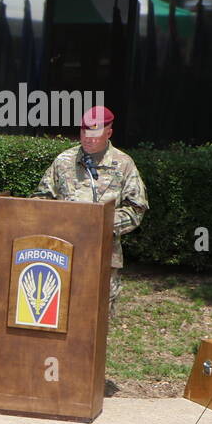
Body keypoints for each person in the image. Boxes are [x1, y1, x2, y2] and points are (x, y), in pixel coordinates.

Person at [33, 105, 148, 317]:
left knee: (97, 322)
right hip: (60, 255)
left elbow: (136, 209)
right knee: (60, 316)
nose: (88, 138)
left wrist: (102, 224)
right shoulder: (63, 162)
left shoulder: (123, 165)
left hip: (102, 256)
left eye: (95, 134)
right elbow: (40, 200)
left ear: (109, 133)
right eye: (84, 132)